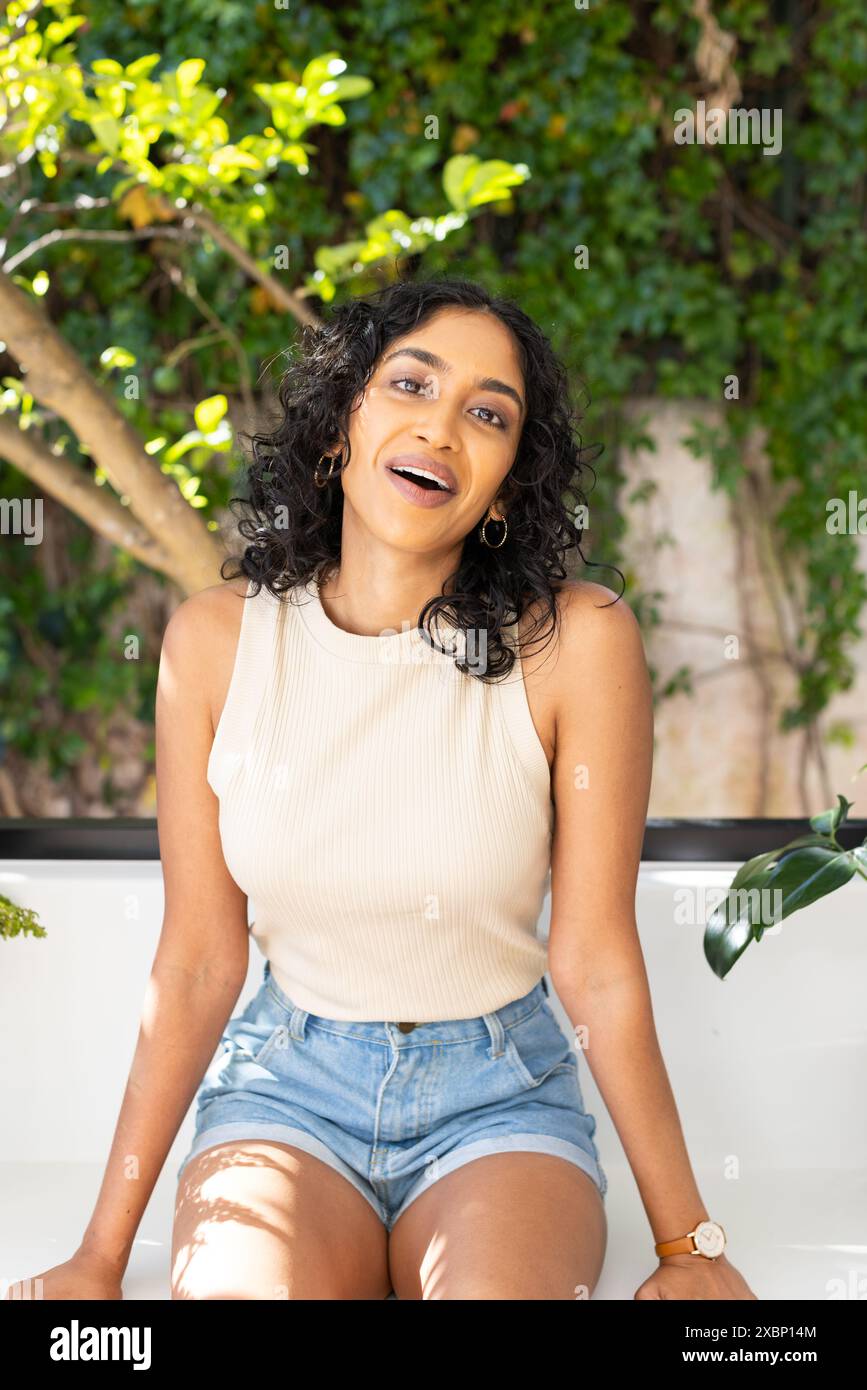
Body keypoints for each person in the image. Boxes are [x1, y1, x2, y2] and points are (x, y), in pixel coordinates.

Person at [6, 276, 756, 1301]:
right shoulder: (215, 644)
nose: (443, 428)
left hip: (500, 1097)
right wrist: (99, 1259)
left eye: (488, 413)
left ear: (506, 481)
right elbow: (193, 960)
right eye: (411, 383)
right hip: (285, 1090)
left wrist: (688, 1248)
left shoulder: (577, 644)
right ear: (337, 428)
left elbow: (596, 963)